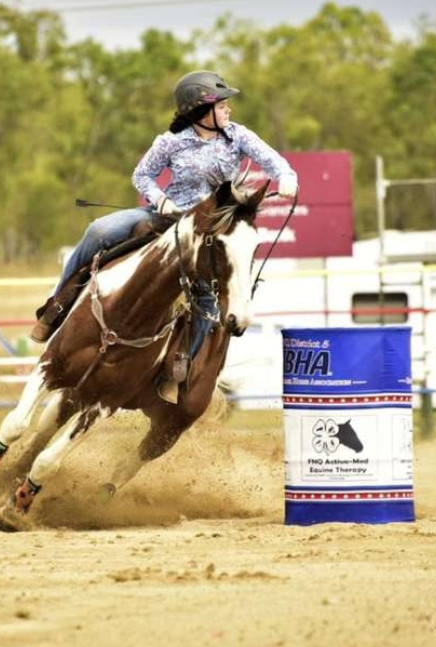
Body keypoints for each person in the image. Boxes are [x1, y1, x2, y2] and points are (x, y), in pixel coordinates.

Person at [30, 70, 298, 401]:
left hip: (208, 232)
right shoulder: (170, 142)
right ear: (201, 110)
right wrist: (162, 200)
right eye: (222, 103)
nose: (228, 109)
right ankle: (56, 307)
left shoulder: (238, 136)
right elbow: (141, 175)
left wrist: (286, 177)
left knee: (206, 297)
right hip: (165, 217)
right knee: (99, 230)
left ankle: (179, 365)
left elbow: (275, 163)